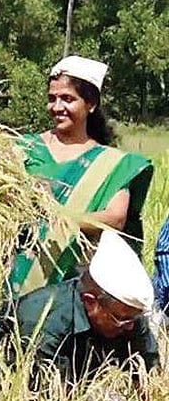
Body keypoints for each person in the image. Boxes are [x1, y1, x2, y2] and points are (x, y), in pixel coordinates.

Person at [8, 56, 152, 299]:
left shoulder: (112, 163)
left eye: (68, 99)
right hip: (16, 276)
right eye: (52, 99)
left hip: (73, 285)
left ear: (91, 104)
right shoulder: (25, 148)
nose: (57, 107)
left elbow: (115, 218)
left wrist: (57, 217)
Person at [0, 230, 157, 390]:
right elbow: (46, 395)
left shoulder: (127, 316)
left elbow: (148, 375)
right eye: (121, 320)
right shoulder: (43, 320)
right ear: (91, 302)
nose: (130, 327)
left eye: (134, 319)